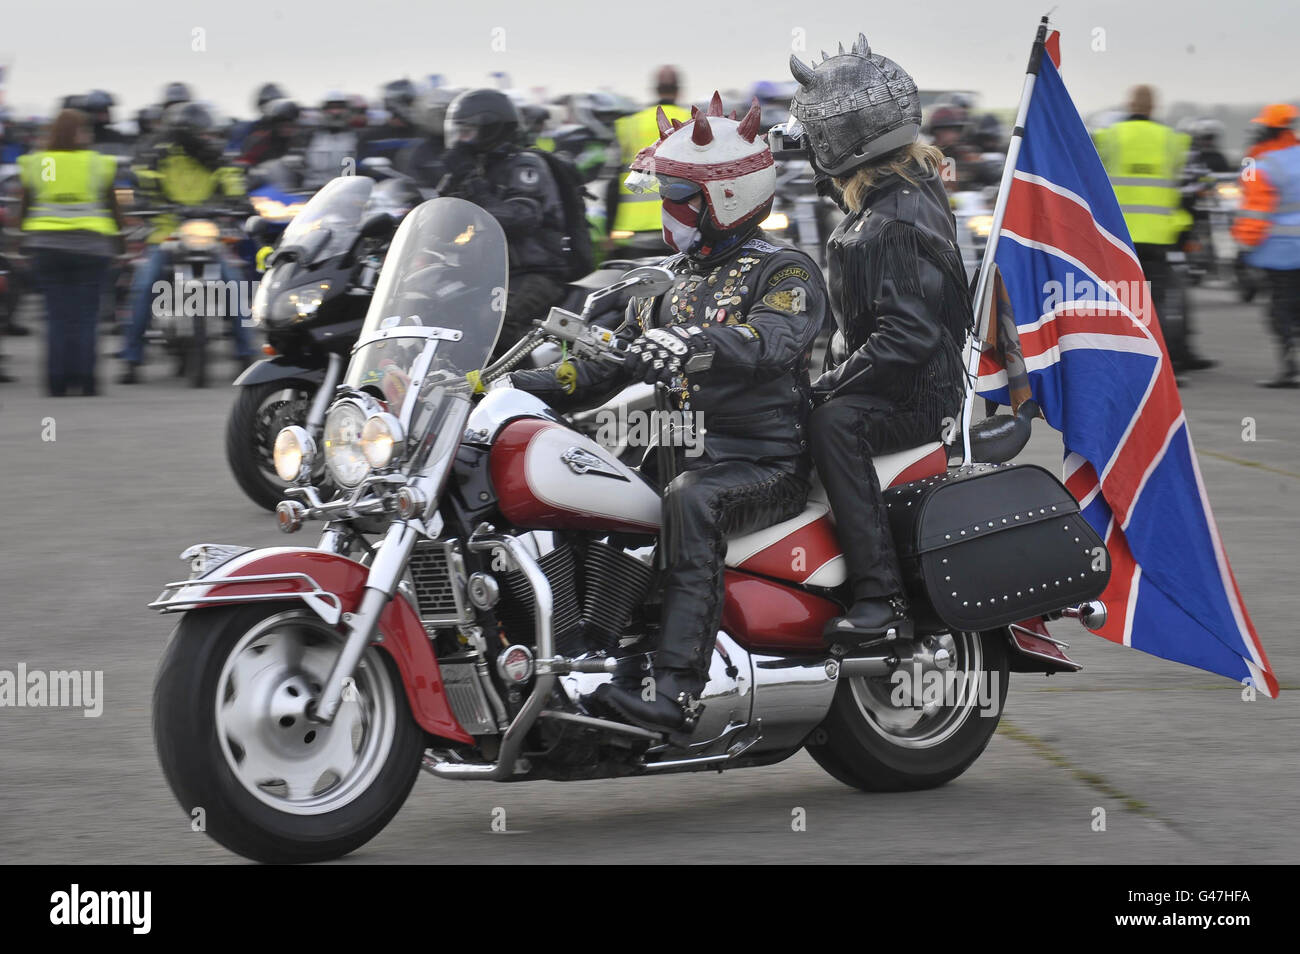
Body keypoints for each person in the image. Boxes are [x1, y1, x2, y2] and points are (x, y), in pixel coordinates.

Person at [509, 94, 826, 731]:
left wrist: (693, 345)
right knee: (581, 479)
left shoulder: (784, 269)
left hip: (762, 461)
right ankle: (581, 657)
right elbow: (607, 363)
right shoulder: (669, 278)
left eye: (680, 195)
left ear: (727, 197)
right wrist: (513, 385)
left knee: (691, 500)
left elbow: (772, 342)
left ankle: (676, 693)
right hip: (680, 445)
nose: (668, 209)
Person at [788, 33, 972, 639]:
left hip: (917, 397)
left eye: (818, 135)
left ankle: (880, 597)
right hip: (906, 383)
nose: (814, 147)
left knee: (830, 424)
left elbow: (905, 339)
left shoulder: (891, 221)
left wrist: (826, 388)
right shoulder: (907, 189)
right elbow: (851, 192)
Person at [118, 102, 252, 383]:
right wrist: (146, 200)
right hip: (167, 233)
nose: (206, 137)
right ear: (186, 131)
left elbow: (231, 178)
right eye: (201, 132)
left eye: (207, 132)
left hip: (207, 233)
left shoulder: (215, 156)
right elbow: (145, 179)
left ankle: (245, 353)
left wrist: (239, 199)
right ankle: (131, 360)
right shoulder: (160, 155)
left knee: (235, 283)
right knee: (145, 285)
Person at [440, 88, 572, 354]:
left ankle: (515, 387)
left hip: (535, 273)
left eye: (467, 131)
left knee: (494, 322)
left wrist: (472, 182)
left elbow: (520, 218)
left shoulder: (525, 166)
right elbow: (444, 214)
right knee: (436, 307)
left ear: (491, 129)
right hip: (487, 273)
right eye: (458, 131)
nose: (460, 140)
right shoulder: (475, 167)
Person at [1094, 85, 1213, 374]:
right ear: (1153, 107)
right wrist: (1183, 227)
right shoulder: (1174, 141)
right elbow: (1197, 185)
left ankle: (1121, 358)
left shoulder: (1108, 138)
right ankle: (1158, 360)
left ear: (1128, 104)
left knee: (1122, 299)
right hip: (1160, 238)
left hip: (1117, 237)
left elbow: (1084, 176)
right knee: (1156, 302)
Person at [17, 108, 124, 395]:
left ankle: (57, 383)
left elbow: (25, 208)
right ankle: (86, 381)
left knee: (56, 317)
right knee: (86, 317)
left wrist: (21, 243)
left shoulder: (39, 162)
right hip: (91, 249)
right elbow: (112, 208)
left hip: (47, 249)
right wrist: (120, 243)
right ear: (78, 133)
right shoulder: (95, 163)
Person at [1233, 104, 1300, 388]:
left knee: (1280, 308)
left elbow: (1255, 214)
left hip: (1280, 252)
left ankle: (1290, 367)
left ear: (1268, 130)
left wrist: (1244, 247)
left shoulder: (1263, 167)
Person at [606, 67, 691, 253]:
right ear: (678, 90)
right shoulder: (690, 121)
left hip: (634, 230)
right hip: (681, 227)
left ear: (656, 89)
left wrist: (608, 231)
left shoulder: (629, 124)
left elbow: (612, 182)